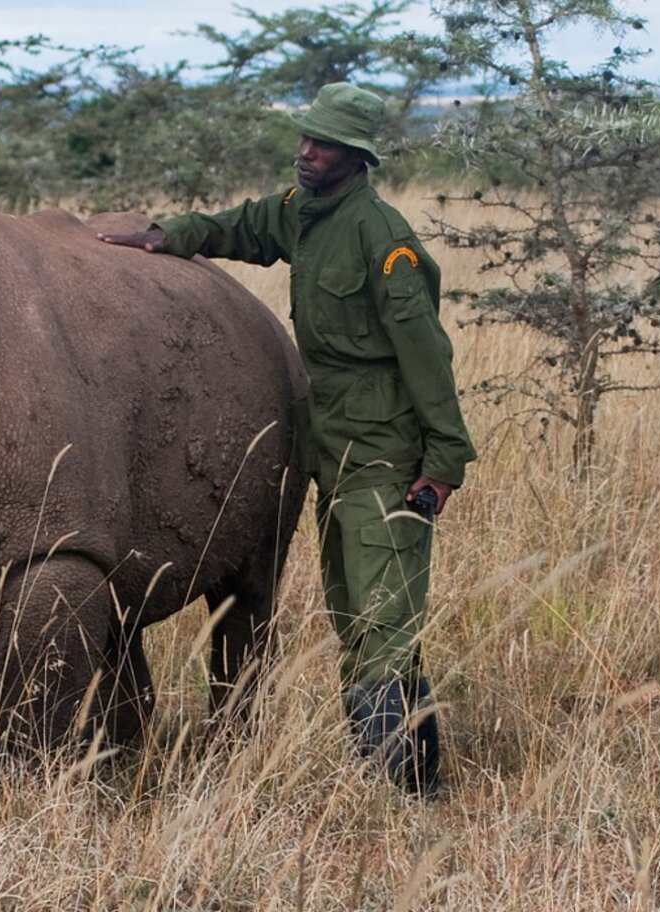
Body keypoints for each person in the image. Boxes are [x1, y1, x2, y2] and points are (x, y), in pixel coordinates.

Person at [99, 83, 476, 794]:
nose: (307, 152)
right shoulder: (305, 213)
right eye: (305, 138)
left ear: (356, 157)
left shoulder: (384, 241)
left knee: (378, 611)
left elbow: (428, 357)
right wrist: (165, 236)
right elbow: (240, 227)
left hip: (383, 445)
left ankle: (398, 786)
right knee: (356, 604)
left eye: (324, 144)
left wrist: (443, 458)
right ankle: (420, 775)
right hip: (326, 438)